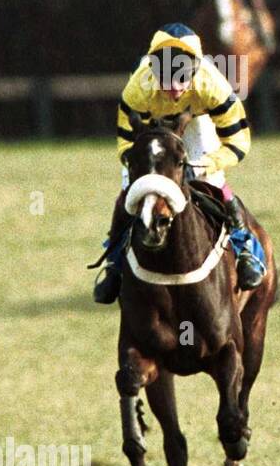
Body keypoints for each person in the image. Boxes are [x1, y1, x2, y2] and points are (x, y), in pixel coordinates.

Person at [92, 23, 265, 303]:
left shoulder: (212, 86)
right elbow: (126, 143)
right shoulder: (138, 88)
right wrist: (139, 170)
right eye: (165, 81)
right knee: (130, 190)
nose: (172, 90)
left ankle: (245, 250)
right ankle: (114, 262)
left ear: (195, 71)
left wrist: (207, 165)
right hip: (151, 129)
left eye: (181, 80)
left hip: (196, 123)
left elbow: (238, 141)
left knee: (212, 182)